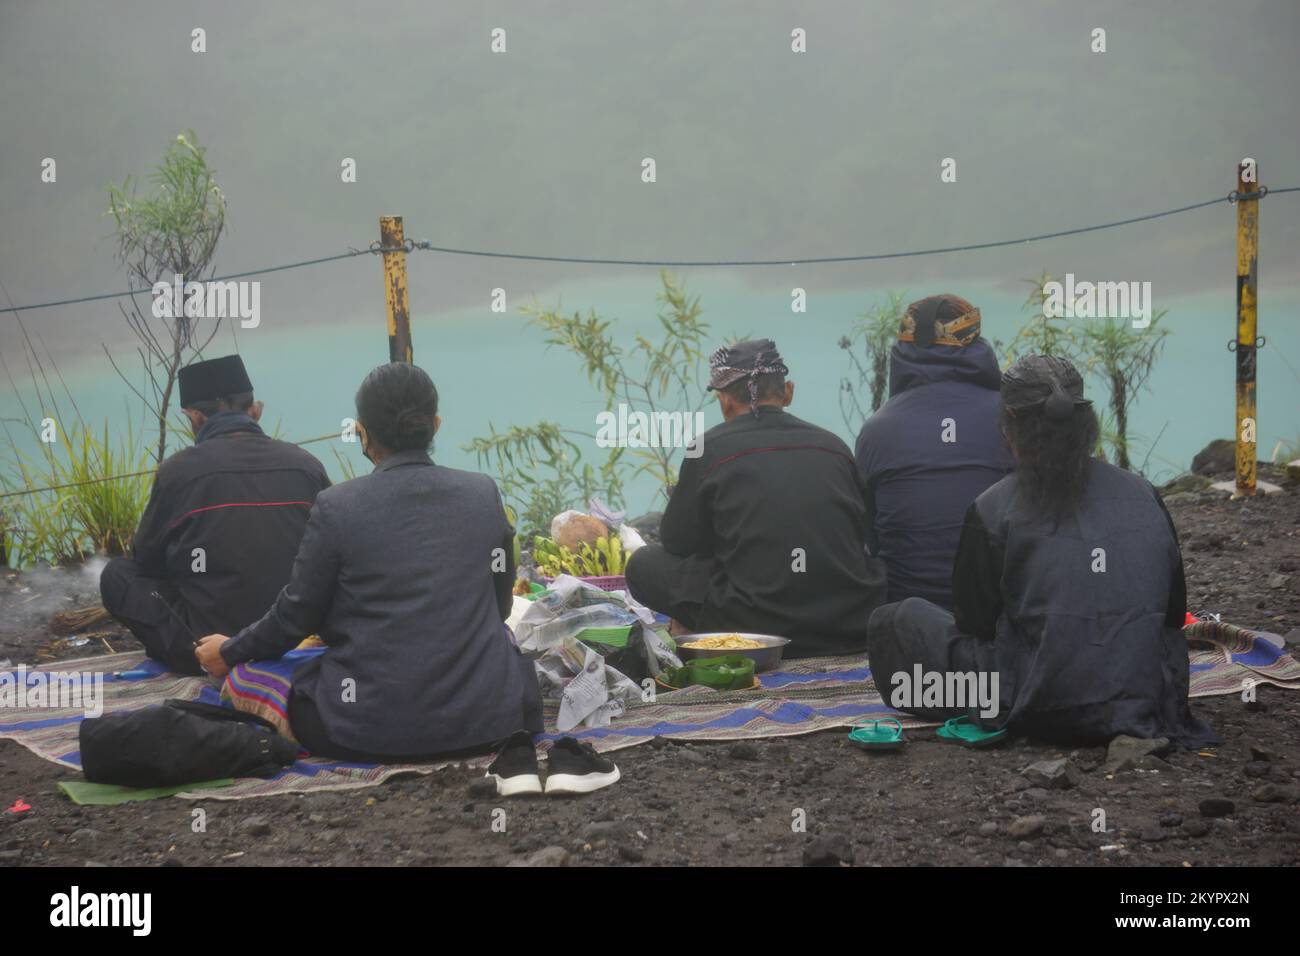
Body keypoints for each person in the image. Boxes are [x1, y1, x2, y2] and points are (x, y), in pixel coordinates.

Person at [195, 363, 617, 795]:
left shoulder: (336, 507)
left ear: (361, 432)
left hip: (365, 730)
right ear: (434, 425)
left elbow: (295, 616)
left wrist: (229, 650)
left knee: (256, 677)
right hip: (491, 722)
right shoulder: (481, 493)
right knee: (505, 649)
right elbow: (498, 606)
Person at [866, 355, 1217, 746]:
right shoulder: (1143, 493)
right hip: (1149, 699)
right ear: (1087, 422)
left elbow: (975, 625)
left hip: (1037, 706)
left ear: (1009, 422)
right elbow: (1172, 613)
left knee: (896, 622)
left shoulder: (992, 507)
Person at [625, 339, 887, 658]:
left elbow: (677, 543)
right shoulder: (834, 446)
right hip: (848, 622)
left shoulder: (707, 449)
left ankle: (712, 632)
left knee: (643, 564)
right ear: (788, 391)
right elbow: (865, 534)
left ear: (724, 402)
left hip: (757, 626)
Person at [101, 355, 329, 675]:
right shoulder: (305, 464)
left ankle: (206, 659)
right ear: (256, 410)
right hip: (293, 633)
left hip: (208, 646)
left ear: (194, 417)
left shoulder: (179, 472)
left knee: (117, 575)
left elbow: (146, 562)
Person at [854, 295, 1013, 609]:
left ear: (903, 350)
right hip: (1000, 610)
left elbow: (870, 536)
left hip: (909, 613)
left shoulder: (876, 430)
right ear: (976, 345)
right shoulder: (1012, 418)